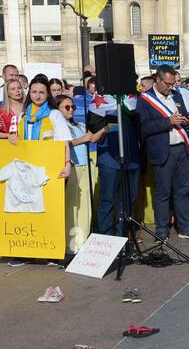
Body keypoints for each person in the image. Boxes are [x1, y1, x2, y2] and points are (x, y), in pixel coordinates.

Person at [139, 65, 189, 244]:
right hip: (163, 151)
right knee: (163, 192)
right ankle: (162, 230)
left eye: (173, 83)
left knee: (182, 190)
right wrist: (168, 122)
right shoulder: (145, 100)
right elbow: (143, 128)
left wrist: (186, 120)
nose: (170, 87)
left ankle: (185, 227)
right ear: (157, 80)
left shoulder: (176, 95)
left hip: (181, 148)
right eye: (167, 83)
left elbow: (182, 115)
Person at [53, 94, 105, 253]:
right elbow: (64, 143)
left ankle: (83, 239)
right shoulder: (57, 126)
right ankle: (71, 242)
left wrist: (103, 129)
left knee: (85, 205)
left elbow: (91, 139)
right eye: (67, 107)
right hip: (73, 167)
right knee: (71, 205)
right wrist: (83, 139)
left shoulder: (80, 124)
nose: (71, 110)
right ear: (58, 109)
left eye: (73, 107)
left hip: (85, 166)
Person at [90, 81, 143, 237]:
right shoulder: (102, 99)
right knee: (107, 199)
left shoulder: (134, 98)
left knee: (128, 200)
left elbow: (141, 124)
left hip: (132, 156)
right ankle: (105, 237)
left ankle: (122, 237)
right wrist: (110, 124)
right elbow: (93, 126)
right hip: (110, 158)